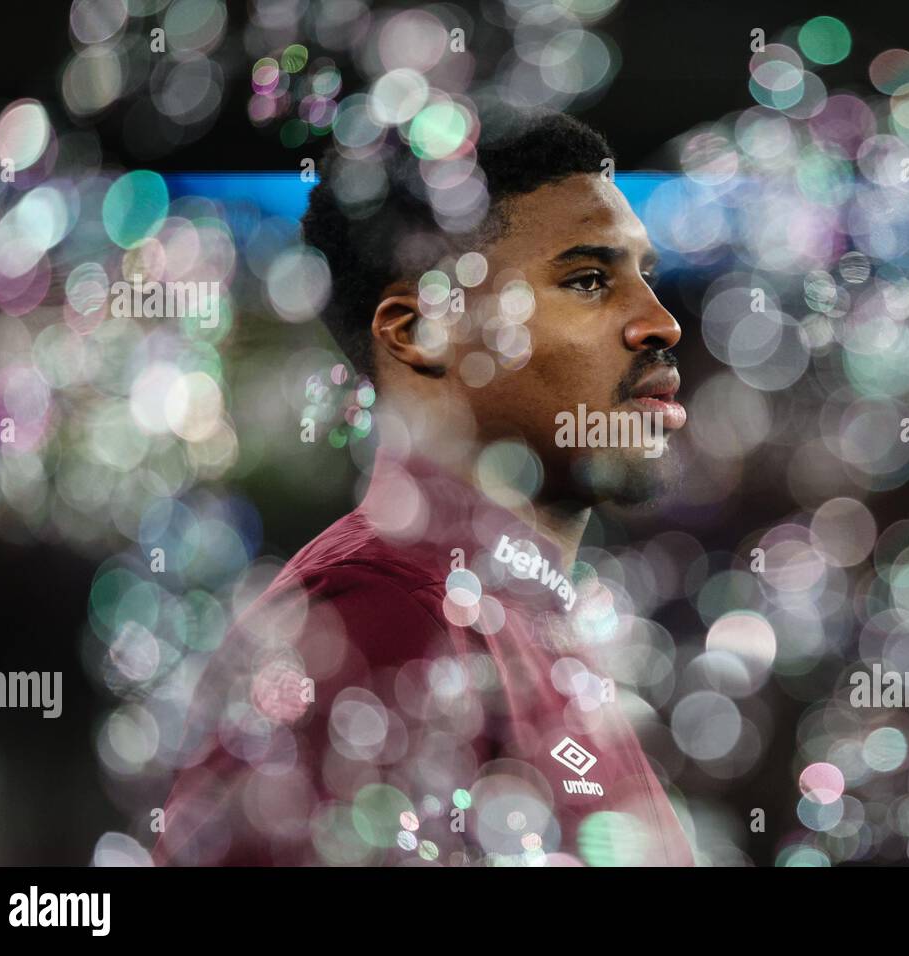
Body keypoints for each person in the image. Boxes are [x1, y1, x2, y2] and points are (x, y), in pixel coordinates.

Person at [153, 108, 695, 866]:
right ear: (419, 331)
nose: (660, 322)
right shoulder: (382, 617)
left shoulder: (514, 616)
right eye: (588, 279)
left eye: (649, 277)